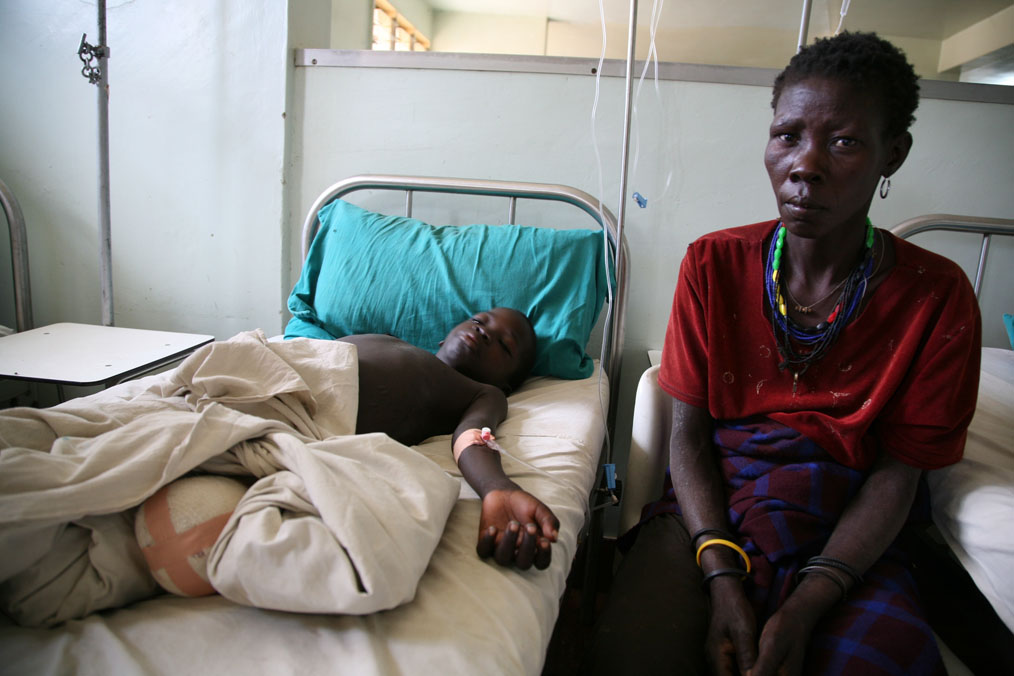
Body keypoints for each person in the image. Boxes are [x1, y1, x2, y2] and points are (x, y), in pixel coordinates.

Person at [587, 32, 981, 675]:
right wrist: (719, 572)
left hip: (847, 523)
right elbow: (686, 436)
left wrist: (809, 601)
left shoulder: (936, 296)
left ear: (894, 155)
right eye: (787, 135)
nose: (805, 164)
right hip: (714, 504)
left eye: (846, 141)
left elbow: (899, 471)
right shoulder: (713, 264)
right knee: (632, 659)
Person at [339, 306, 560, 572]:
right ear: (444, 338)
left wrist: (497, 487)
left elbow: (471, 435)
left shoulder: (483, 393)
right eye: (478, 321)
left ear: (505, 384)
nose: (484, 331)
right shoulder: (388, 340)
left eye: (504, 345)